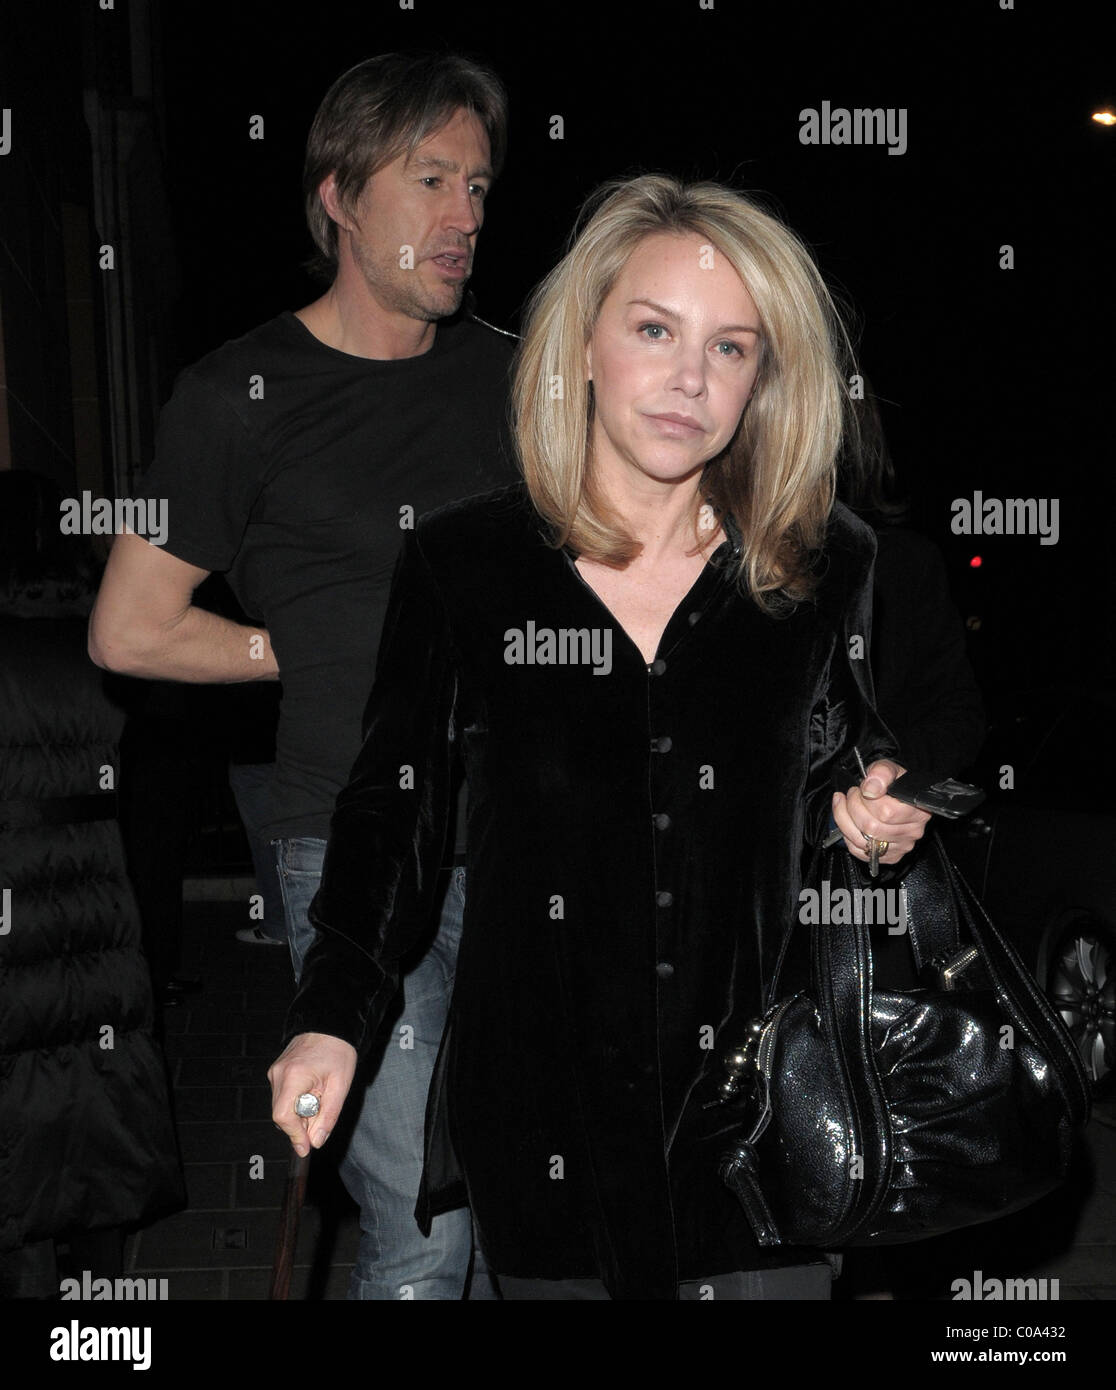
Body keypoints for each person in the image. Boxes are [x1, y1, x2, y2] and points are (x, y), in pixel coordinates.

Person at [268, 174, 932, 1301]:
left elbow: (830, 779)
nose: (690, 378)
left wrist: (869, 817)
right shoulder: (463, 566)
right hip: (545, 1111)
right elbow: (392, 813)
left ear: (764, 380)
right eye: (656, 330)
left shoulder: (823, 568)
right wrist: (335, 1016)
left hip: (761, 1113)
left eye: (732, 348)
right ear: (583, 343)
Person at [89, 51, 516, 1299]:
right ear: (339, 193)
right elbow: (128, 629)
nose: (466, 217)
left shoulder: (521, 374)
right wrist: (304, 645)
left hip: (526, 841)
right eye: (431, 178)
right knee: (424, 1231)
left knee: (516, 1206)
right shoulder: (235, 397)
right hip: (346, 840)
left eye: (481, 186)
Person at [0, 471, 184, 1298]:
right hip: (101, 895)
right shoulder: (104, 639)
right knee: (96, 1088)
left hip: (15, 896)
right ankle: (100, 1314)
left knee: (18, 1107)